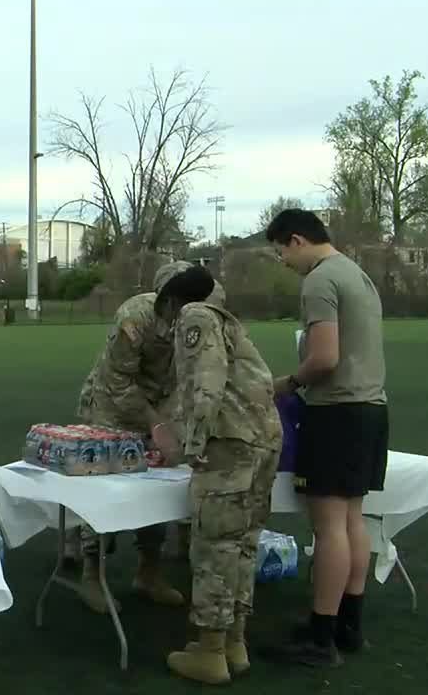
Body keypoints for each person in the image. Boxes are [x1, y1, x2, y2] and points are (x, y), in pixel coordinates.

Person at [261, 208, 388, 667]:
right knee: (353, 522)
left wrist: (287, 383)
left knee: (329, 526)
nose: (283, 262)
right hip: (371, 410)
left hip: (336, 412)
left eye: (281, 251)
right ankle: (346, 624)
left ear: (297, 241)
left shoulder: (319, 280)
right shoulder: (356, 273)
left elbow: (325, 357)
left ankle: (320, 638)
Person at [152, 265, 281, 684]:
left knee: (213, 547)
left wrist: (192, 445)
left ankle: (210, 652)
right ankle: (234, 643)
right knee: (243, 544)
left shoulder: (195, 318)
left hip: (229, 443)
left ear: (172, 302)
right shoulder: (228, 323)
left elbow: (207, 382)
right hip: (262, 440)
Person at [71, 260, 202, 613]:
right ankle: (91, 572)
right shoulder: (135, 317)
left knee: (160, 481)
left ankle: (149, 571)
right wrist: (154, 423)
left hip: (162, 401)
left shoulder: (201, 313)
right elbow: (117, 383)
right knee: (102, 483)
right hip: (113, 404)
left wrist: (172, 424)